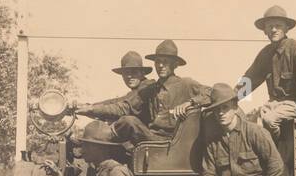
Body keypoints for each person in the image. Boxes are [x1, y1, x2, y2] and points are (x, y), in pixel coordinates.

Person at [75, 40, 211, 144]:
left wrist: (189, 102)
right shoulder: (151, 89)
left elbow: (211, 93)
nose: (161, 65)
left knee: (128, 121)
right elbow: (123, 105)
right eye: (158, 62)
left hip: (173, 142)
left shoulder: (186, 84)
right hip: (152, 138)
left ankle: (96, 141)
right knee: (126, 120)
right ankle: (91, 142)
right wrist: (89, 107)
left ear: (175, 64)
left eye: (165, 61)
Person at [236, 4, 296, 135]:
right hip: (273, 103)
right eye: (270, 26)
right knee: (250, 124)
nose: (274, 29)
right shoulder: (265, 53)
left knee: (269, 119)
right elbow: (250, 78)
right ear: (265, 30)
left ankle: (273, 152)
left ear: (286, 28)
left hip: (293, 104)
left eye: (278, 26)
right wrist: (232, 98)